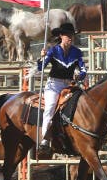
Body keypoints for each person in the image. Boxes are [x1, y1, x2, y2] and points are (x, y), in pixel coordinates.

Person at [35, 22, 86, 156]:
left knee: (79, 104)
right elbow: (41, 68)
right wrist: (42, 57)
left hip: (69, 85)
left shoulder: (77, 52)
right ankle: (44, 140)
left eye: (72, 35)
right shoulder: (53, 50)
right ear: (61, 36)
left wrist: (79, 76)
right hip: (54, 85)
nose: (70, 37)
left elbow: (83, 69)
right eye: (67, 35)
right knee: (50, 107)